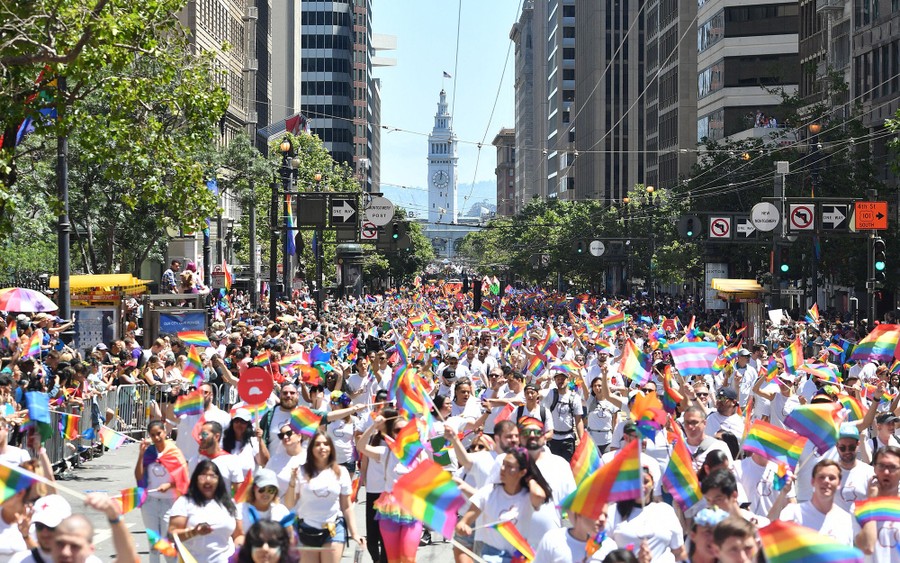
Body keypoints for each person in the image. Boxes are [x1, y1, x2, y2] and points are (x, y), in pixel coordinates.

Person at [455, 448, 552, 563]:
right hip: (491, 556)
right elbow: (463, 522)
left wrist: (530, 478)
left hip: (520, 557)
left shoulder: (528, 496)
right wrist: (462, 527)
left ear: (522, 472)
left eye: (509, 466)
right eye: (503, 464)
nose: (502, 469)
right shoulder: (488, 492)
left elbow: (539, 496)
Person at [285, 428, 365, 561]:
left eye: (326, 444)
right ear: (311, 449)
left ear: (331, 448)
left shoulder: (341, 472)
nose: (322, 447)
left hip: (333, 529)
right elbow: (290, 504)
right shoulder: (301, 471)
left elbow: (346, 506)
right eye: (317, 444)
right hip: (306, 530)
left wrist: (355, 533)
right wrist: (292, 482)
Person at [357, 409, 425, 563]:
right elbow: (361, 447)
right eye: (397, 430)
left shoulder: (420, 453)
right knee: (393, 559)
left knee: (408, 557)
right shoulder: (385, 451)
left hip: (412, 508)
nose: (401, 433)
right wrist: (373, 427)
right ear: (392, 433)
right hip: (389, 509)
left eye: (405, 430)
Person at [135, 421, 189, 563]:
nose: (156, 437)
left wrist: (170, 485)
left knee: (167, 543)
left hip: (169, 504)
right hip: (149, 503)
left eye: (159, 433)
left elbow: (183, 478)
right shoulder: (149, 453)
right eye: (152, 435)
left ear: (165, 432)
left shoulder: (174, 452)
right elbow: (139, 477)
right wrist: (141, 455)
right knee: (153, 544)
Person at [606, 466, 687, 562]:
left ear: (653, 484)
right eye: (637, 482)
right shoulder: (613, 512)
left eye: (646, 481)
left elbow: (679, 551)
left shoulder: (666, 510)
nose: (641, 486)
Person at [168, 460, 242, 563]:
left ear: (219, 480)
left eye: (212, 476)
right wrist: (194, 532)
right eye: (203, 475)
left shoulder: (230, 504)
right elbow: (172, 535)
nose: (208, 480)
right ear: (196, 479)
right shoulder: (184, 503)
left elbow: (238, 536)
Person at [779, 459, 854, 544]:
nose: (826, 481)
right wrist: (783, 493)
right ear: (812, 481)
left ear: (839, 484)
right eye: (821, 477)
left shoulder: (846, 520)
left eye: (832, 478)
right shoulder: (792, 512)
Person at [855, 445, 900, 561]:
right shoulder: (860, 509)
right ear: (874, 468)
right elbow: (867, 546)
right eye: (881, 466)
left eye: (892, 467)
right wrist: (872, 501)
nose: (886, 472)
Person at [533, 504, 618, 562]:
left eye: (606, 515)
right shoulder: (552, 540)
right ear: (579, 513)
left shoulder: (609, 546)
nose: (603, 519)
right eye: (597, 513)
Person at [827, 423, 874, 512]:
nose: (847, 451)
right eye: (843, 448)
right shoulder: (828, 473)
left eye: (851, 447)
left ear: (858, 445)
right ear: (837, 446)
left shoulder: (870, 473)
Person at [189, 421, 246, 492]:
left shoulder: (231, 461)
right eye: (200, 434)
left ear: (216, 437)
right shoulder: (194, 460)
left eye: (204, 434)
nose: (200, 437)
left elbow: (240, 492)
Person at [542, 371, 584, 461]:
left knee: (567, 466)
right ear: (555, 381)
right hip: (552, 439)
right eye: (558, 379)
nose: (560, 381)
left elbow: (579, 421)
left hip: (568, 439)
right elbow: (544, 414)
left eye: (563, 379)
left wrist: (582, 439)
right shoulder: (550, 394)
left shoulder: (575, 397)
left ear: (568, 380)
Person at [223, 409, 268, 473]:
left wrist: (260, 440)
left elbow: (263, 462)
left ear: (248, 425)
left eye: (243, 422)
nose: (239, 424)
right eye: (236, 421)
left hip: (249, 482)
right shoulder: (224, 441)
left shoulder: (253, 442)